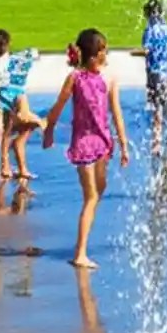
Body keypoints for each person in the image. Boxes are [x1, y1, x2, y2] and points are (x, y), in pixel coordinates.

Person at [43, 29, 130, 269]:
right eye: (103, 51)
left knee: (99, 190)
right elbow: (58, 106)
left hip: (102, 143)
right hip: (83, 144)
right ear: (92, 57)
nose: (106, 54)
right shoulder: (75, 78)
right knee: (91, 197)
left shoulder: (109, 79)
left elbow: (116, 113)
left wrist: (123, 144)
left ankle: (82, 245)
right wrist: (49, 130)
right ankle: (80, 253)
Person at [0, 29, 44, 181]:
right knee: (5, 131)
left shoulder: (8, 59)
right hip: (1, 98)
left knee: (13, 130)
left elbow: (33, 53)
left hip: (9, 96)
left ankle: (13, 166)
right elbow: (34, 53)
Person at [141, 0, 167, 155]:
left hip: (154, 72)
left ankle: (156, 142)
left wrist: (135, 53)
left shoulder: (149, 30)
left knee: (157, 108)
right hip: (166, 71)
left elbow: (147, 50)